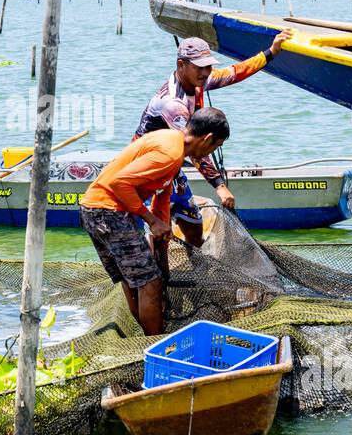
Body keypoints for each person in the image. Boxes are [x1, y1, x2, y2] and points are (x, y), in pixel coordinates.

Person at [80, 107, 230, 336]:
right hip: (109, 212)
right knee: (150, 283)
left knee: (133, 280)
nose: (210, 153)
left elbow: (162, 193)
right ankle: (156, 344)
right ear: (207, 138)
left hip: (94, 208)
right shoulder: (170, 153)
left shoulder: (171, 141)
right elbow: (120, 184)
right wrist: (150, 221)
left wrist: (163, 228)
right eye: (215, 147)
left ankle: (144, 338)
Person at [133, 29, 290, 246]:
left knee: (195, 230)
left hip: (172, 169)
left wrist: (271, 52)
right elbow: (195, 148)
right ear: (181, 65)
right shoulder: (172, 104)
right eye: (200, 67)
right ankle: (160, 275)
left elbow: (235, 72)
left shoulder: (198, 80)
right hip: (148, 171)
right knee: (160, 236)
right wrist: (219, 185)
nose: (206, 72)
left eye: (208, 66)